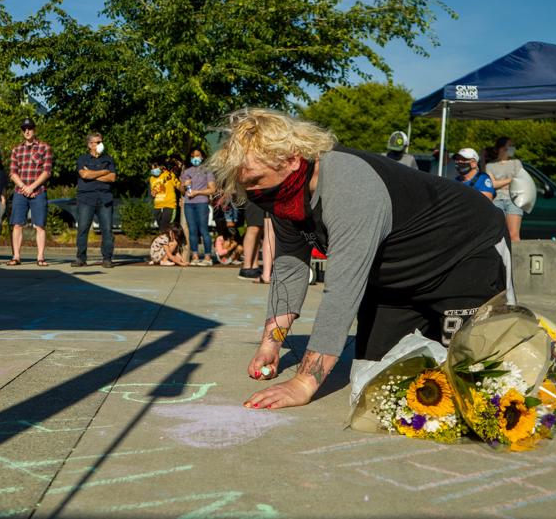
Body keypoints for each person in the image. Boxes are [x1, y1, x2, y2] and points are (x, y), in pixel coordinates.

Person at [207, 108, 511, 410]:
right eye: (245, 184)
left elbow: (342, 290)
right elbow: (289, 268)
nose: (252, 192)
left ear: (290, 159)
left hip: (463, 256)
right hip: (396, 282)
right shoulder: (284, 195)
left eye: (257, 180)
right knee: (377, 384)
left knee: (482, 383)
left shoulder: (349, 183)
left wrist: (303, 382)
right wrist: (270, 345)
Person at [8, 117, 54, 266]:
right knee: (16, 224)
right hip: (20, 191)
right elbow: (13, 173)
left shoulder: (44, 147)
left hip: (38, 191)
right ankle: (16, 256)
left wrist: (32, 187)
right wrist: (24, 187)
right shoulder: (16, 150)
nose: (27, 131)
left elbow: (47, 172)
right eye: (24, 129)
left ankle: (40, 257)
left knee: (39, 225)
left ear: (34, 130)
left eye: (29, 128)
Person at [72, 132, 117, 268]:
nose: (100, 144)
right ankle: (81, 258)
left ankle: (107, 258)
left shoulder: (108, 159)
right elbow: (84, 174)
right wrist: (104, 172)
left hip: (105, 198)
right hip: (86, 198)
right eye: (97, 142)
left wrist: (92, 174)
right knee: (83, 229)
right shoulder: (82, 159)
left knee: (107, 230)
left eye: (100, 141)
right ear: (90, 145)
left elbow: (112, 178)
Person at [180, 147, 216, 266]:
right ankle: (195, 256)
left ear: (202, 157)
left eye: (198, 155)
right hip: (188, 204)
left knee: (203, 229)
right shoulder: (186, 172)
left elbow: (212, 190)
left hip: (201, 203)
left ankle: (207, 257)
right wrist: (184, 186)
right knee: (192, 231)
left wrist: (197, 192)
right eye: (193, 156)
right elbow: (181, 189)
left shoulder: (207, 171)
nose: (195, 158)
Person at [486, 136, 525, 243]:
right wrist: (511, 180)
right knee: (498, 235)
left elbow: (521, 181)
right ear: (502, 148)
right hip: (496, 201)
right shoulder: (490, 165)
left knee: (514, 236)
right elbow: (492, 184)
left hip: (514, 200)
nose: (513, 148)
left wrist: (500, 183)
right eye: (510, 145)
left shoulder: (516, 163)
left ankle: (516, 259)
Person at [238, 202, 274, 283]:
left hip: (261, 196)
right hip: (255, 195)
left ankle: (254, 266)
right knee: (253, 227)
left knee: (259, 228)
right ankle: (246, 267)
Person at [148, 158, 180, 232]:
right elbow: (153, 191)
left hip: (169, 205)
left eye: (155, 167)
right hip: (157, 206)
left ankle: (167, 242)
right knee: (162, 229)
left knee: (164, 228)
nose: (153, 170)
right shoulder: (151, 179)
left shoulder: (169, 175)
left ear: (162, 166)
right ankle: (167, 241)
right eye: (151, 168)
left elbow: (178, 186)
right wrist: (153, 193)